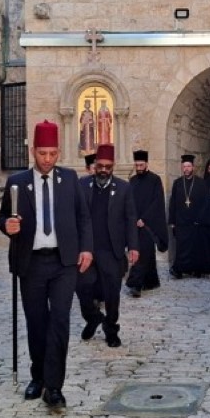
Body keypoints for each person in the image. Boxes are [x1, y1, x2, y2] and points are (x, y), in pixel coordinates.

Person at [0, 120, 93, 410]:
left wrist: (87, 248)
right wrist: (8, 226)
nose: (47, 159)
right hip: (31, 263)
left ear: (59, 152)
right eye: (42, 153)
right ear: (32, 151)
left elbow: (83, 217)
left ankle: (54, 386)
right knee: (37, 323)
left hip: (64, 263)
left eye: (52, 153)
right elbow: (3, 218)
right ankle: (37, 376)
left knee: (60, 322)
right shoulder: (17, 183)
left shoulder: (70, 179)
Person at [76, 144, 139, 347]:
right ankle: (93, 318)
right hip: (87, 249)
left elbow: (130, 218)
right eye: (100, 166)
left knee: (112, 292)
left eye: (108, 166)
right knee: (82, 286)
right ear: (94, 165)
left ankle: (111, 329)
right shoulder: (82, 185)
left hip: (112, 250)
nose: (103, 170)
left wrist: (134, 247)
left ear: (113, 166)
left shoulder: (124, 188)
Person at [125, 150, 168, 297]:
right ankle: (150, 281)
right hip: (134, 224)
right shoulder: (132, 181)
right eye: (136, 165)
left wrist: (145, 219)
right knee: (143, 253)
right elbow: (128, 202)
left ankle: (135, 285)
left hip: (148, 224)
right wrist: (133, 218)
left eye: (141, 165)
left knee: (144, 253)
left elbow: (157, 202)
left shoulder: (155, 180)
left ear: (146, 164)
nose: (139, 168)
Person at [167, 154, 210, 278]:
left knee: (196, 247)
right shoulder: (177, 183)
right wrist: (172, 221)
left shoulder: (201, 183)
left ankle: (196, 269)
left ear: (193, 167)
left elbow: (206, 203)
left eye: (189, 166)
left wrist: (200, 219)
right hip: (181, 222)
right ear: (182, 168)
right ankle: (179, 270)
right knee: (182, 248)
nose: (186, 168)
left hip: (196, 222)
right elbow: (173, 203)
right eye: (184, 166)